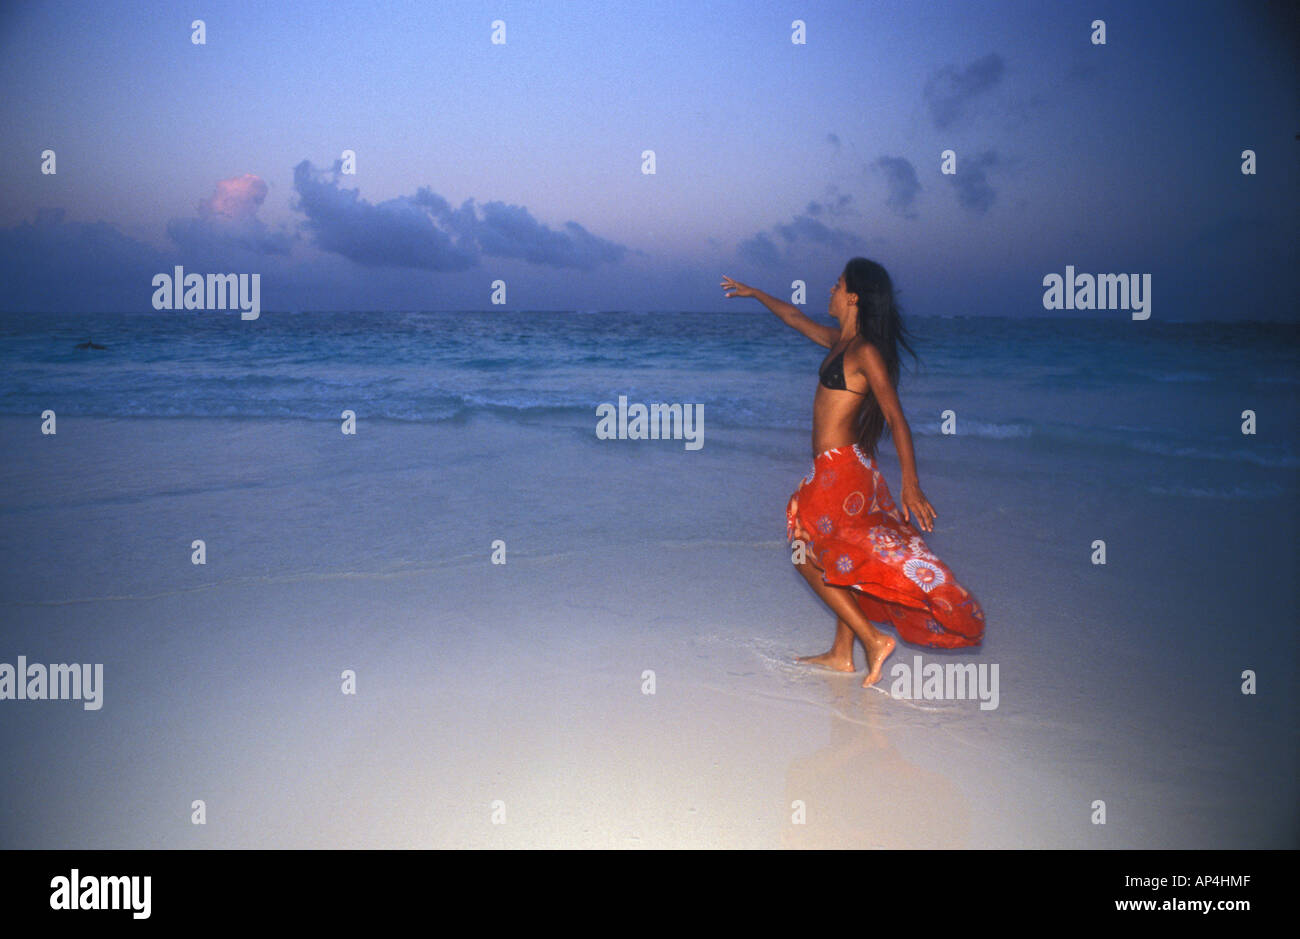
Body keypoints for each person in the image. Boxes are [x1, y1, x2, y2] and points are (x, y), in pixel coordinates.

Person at [721, 259, 984, 687]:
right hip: (839, 468)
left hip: (841, 470)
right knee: (844, 557)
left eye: (838, 284)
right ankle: (842, 654)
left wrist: (911, 485)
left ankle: (871, 640)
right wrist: (755, 293)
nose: (830, 288)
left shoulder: (864, 352)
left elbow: (896, 418)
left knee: (803, 551)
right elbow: (794, 317)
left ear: (854, 297)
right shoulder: (839, 343)